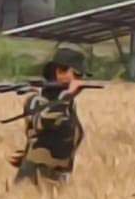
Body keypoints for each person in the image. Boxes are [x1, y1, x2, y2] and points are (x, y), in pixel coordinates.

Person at [9, 47, 88, 187]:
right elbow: (42, 122)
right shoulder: (37, 101)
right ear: (59, 72)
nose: (79, 80)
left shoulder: (67, 105)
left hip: (56, 183)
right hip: (33, 184)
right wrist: (67, 97)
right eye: (76, 75)